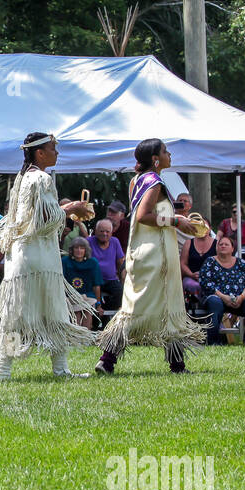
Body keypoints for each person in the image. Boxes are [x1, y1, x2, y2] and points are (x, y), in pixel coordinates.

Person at [0, 133, 95, 380]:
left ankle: (3, 372)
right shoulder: (42, 178)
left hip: (24, 255)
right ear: (40, 153)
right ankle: (60, 369)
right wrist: (71, 209)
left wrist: (65, 210)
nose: (57, 152)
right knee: (54, 312)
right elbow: (43, 219)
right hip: (38, 257)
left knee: (14, 317)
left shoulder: (22, 179)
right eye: (53, 148)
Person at [95, 139, 204, 374]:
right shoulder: (153, 181)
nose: (169, 154)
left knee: (157, 305)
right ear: (155, 159)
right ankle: (107, 358)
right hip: (156, 255)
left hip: (143, 250)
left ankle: (176, 364)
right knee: (152, 305)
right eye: (165, 151)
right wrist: (176, 220)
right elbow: (144, 216)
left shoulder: (137, 181)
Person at [197, 235, 245, 344]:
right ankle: (214, 342)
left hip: (238, 299)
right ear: (216, 248)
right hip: (217, 297)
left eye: (226, 244)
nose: (223, 246)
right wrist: (223, 297)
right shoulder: (209, 262)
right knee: (214, 302)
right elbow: (205, 283)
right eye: (221, 244)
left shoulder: (241, 263)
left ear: (232, 248)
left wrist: (241, 297)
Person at [60, 236, 102, 328]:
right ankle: (76, 339)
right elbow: (61, 283)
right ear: (72, 250)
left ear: (85, 250)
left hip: (88, 297)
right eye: (76, 248)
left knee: (87, 315)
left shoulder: (93, 263)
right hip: (71, 297)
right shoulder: (65, 262)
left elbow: (96, 285)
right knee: (77, 317)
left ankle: (86, 339)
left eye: (82, 248)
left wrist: (99, 304)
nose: (79, 250)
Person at [88, 218, 125, 311]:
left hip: (111, 279)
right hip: (93, 280)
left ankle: (105, 312)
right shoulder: (88, 241)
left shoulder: (115, 241)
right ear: (95, 231)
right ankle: (97, 317)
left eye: (107, 231)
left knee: (120, 293)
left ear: (111, 232)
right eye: (101, 231)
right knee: (92, 297)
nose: (105, 234)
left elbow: (121, 262)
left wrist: (122, 278)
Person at [179, 226, 215, 296]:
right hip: (191, 277)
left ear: (210, 228)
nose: (202, 228)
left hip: (211, 278)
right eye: (200, 226)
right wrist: (191, 274)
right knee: (191, 285)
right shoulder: (188, 243)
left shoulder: (217, 244)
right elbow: (183, 263)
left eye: (205, 226)